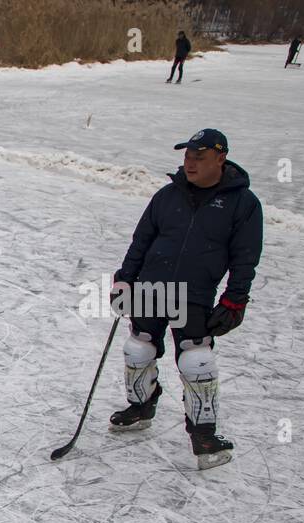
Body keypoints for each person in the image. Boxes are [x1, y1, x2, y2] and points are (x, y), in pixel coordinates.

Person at [109, 129, 263, 469]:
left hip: (194, 294)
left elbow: (245, 258)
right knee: (138, 348)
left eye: (199, 157)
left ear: (220, 159)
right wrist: (125, 279)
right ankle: (141, 406)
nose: (190, 164)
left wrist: (235, 301)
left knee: (197, 361)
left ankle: (204, 436)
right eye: (188, 157)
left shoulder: (243, 204)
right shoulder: (167, 195)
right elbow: (142, 240)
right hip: (151, 287)